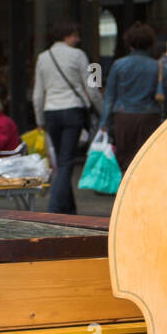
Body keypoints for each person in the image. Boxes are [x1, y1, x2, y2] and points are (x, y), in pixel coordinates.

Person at [33, 19, 102, 214]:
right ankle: (55, 207)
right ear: (66, 35)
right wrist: (101, 109)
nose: (78, 39)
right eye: (75, 35)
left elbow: (38, 93)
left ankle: (68, 208)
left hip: (50, 111)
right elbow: (91, 87)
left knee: (61, 161)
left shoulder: (43, 58)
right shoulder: (78, 55)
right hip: (73, 110)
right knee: (66, 162)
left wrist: (39, 120)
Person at [101, 23, 160, 174]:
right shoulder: (157, 66)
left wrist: (105, 122)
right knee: (146, 160)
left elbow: (109, 97)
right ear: (150, 44)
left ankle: (125, 193)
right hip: (149, 117)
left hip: (123, 117)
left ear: (129, 44)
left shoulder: (118, 65)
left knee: (125, 160)